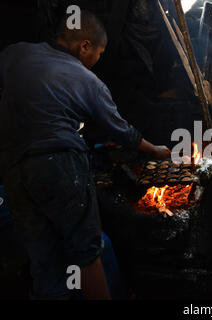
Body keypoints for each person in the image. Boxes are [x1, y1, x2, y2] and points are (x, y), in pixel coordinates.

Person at [0, 10, 170, 299]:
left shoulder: (15, 54)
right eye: (100, 53)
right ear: (85, 46)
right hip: (60, 164)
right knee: (87, 252)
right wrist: (156, 150)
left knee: (43, 259)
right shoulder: (87, 80)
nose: (98, 61)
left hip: (13, 170)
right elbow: (123, 132)